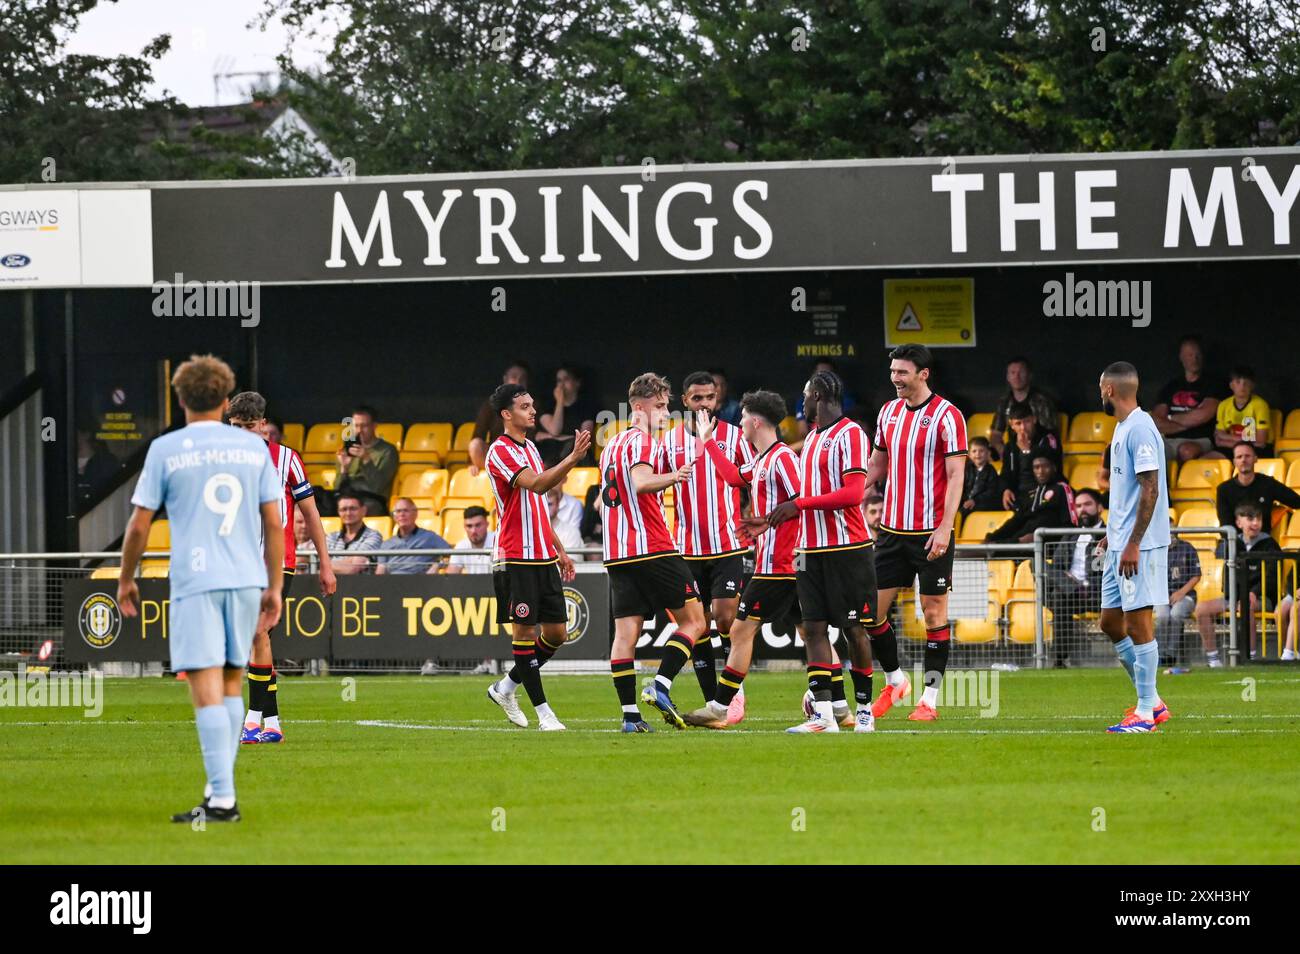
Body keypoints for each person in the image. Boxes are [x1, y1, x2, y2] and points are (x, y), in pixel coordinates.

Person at [117, 354, 283, 823]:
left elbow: (137, 525)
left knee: (206, 688)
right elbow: (274, 523)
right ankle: (219, 793)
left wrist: (127, 577)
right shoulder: (256, 450)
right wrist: (273, 585)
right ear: (225, 400)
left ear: (181, 397)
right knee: (232, 686)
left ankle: (223, 801)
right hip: (246, 577)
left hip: (196, 578)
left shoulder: (167, 449)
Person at [766, 368, 879, 733]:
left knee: (853, 629)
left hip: (848, 548)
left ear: (818, 394)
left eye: (804, 394)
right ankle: (825, 716)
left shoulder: (852, 434)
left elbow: (853, 494)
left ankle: (864, 709)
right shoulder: (812, 438)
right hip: (809, 550)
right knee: (812, 629)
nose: (800, 401)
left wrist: (799, 505)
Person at [226, 391, 338, 746]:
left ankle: (254, 719)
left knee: (258, 633)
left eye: (247, 427)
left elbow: (311, 515)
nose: (241, 434)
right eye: (234, 427)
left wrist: (326, 564)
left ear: (262, 426)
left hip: (277, 563)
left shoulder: (287, 460)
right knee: (256, 639)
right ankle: (270, 721)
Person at [684, 391, 801, 729]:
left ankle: (721, 706)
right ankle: (837, 708)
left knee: (739, 630)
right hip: (781, 564)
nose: (739, 424)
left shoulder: (782, 459)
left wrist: (772, 526)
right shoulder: (763, 459)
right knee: (811, 632)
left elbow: (801, 503)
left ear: (755, 421)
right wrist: (708, 442)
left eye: (742, 417)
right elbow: (734, 478)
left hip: (779, 565)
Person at [864, 343, 967, 722]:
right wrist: (848, 495)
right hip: (891, 530)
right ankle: (895, 680)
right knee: (869, 611)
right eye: (892, 371)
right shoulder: (888, 413)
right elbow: (876, 465)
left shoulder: (948, 415)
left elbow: (956, 475)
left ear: (923, 374)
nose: (895, 379)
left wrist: (945, 527)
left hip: (931, 533)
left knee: (933, 612)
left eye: (902, 372)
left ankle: (930, 700)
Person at [598, 372, 706, 732]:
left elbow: (603, 502)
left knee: (625, 634)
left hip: (617, 552)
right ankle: (660, 684)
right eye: (660, 406)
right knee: (694, 621)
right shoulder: (643, 442)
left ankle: (630, 716)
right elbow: (642, 483)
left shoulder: (610, 447)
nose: (665, 413)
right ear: (639, 407)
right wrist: (675, 476)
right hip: (652, 547)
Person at [482, 382, 591, 732]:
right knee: (525, 633)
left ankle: (506, 687)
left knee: (557, 633)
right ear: (506, 414)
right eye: (525, 406)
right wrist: (572, 458)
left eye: (532, 404)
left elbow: (536, 508)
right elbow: (539, 485)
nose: (532, 410)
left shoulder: (529, 446)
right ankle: (545, 713)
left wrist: (559, 549)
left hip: (542, 555)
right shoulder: (499, 451)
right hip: (515, 555)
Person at [660, 371, 756, 709]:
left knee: (726, 618)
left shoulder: (733, 437)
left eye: (709, 398)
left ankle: (734, 689)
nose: (704, 404)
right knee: (697, 626)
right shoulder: (668, 442)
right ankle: (712, 700)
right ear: (684, 401)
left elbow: (752, 479)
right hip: (686, 549)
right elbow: (653, 485)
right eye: (697, 398)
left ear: (718, 400)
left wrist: (754, 518)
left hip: (727, 544)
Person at [1096, 361, 1172, 733]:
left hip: (1137, 548)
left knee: (1139, 623)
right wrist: (1114, 533)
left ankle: (1145, 712)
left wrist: (1134, 542)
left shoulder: (1140, 427)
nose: (1100, 394)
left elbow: (1151, 488)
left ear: (1110, 390)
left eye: (1101, 388)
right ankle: (1153, 700)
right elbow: (1129, 493)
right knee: (1110, 623)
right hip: (1120, 543)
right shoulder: (1124, 428)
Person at [1196, 501, 1295, 664]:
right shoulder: (1232, 544)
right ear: (1238, 522)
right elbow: (1228, 575)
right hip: (1235, 597)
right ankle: (1214, 660)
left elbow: (1272, 578)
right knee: (1201, 609)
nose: (1255, 523)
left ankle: (1251, 658)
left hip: (1263, 598)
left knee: (1246, 606)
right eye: (1250, 519)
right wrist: (1234, 596)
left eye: (1258, 519)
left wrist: (1253, 592)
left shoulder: (1270, 545)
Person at [1042, 488, 1106, 667]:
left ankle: (1059, 660)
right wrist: (1069, 582)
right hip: (1072, 593)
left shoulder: (1109, 535)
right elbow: (1056, 566)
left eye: (1087, 504)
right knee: (1036, 564)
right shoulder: (1069, 535)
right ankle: (1072, 588)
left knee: (1057, 597)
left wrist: (1079, 584)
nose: (1082, 509)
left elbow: (1101, 571)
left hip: (1095, 594)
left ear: (1099, 508)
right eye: (1078, 506)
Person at [1153, 335, 1222, 462]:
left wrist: (1170, 418)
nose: (1194, 359)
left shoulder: (1214, 384)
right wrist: (1190, 423)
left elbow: (1203, 415)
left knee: (1186, 451)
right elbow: (1156, 422)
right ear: (1181, 357)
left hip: (1200, 440)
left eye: (1197, 355)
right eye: (1190, 355)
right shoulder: (1171, 386)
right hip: (1168, 440)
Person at [985, 453, 1076, 543]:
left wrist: (1042, 537)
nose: (1041, 471)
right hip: (1022, 541)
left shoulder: (1062, 489)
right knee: (987, 547)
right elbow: (1017, 520)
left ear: (1054, 468)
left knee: (987, 551)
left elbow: (1071, 524)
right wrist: (992, 537)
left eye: (1045, 466)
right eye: (1036, 467)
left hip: (1047, 544)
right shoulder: (1030, 492)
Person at [1215, 441, 1300, 530]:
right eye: (1239, 457)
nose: (1243, 460)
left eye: (1247, 456)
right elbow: (1225, 524)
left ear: (1255, 459)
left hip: (1263, 541)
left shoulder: (1268, 484)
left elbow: (1296, 501)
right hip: (1235, 541)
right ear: (1234, 462)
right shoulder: (1224, 490)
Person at [332, 405, 398, 516]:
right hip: (346, 498)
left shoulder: (387, 451)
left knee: (358, 509)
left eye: (364, 426)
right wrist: (344, 469)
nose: (359, 431)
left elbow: (377, 486)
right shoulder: (347, 450)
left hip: (372, 499)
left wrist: (366, 459)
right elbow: (337, 488)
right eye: (356, 426)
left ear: (374, 426)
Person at [988, 356, 1057, 458]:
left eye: (1021, 372)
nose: (1017, 376)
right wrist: (1002, 450)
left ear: (1030, 375)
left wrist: (1029, 451)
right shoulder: (1005, 401)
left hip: (1038, 452)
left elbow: (1050, 433)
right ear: (1008, 377)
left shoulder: (1042, 400)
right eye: (1013, 373)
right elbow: (996, 433)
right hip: (1012, 451)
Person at [468, 361, 530, 475]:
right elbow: (478, 435)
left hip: (522, 457)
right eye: (514, 377)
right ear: (505, 380)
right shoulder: (491, 405)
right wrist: (472, 463)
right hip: (496, 456)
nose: (518, 382)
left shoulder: (533, 405)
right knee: (475, 445)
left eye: (522, 379)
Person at [999, 402, 1063, 509]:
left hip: (1044, 489)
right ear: (1012, 425)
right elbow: (1006, 473)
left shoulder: (1048, 439)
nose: (1023, 428)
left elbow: (1049, 471)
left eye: (1027, 422)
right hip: (1018, 493)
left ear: (1034, 419)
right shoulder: (1010, 446)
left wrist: (1027, 452)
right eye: (1018, 423)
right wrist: (1006, 489)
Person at [536, 364, 599, 467]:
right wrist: (560, 401)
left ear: (577, 383)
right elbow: (555, 430)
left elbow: (582, 440)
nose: (561, 385)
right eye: (559, 380)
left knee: (572, 444)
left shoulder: (586, 407)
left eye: (566, 379)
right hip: (550, 459)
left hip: (575, 459)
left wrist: (548, 436)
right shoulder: (547, 407)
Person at [1158, 533, 1202, 666]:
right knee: (1162, 616)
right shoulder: (1156, 549)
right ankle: (1160, 654)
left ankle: (1171, 655)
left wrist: (1181, 592)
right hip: (1161, 595)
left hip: (1186, 595)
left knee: (1176, 613)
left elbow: (1196, 575)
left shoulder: (1187, 548)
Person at [376, 498, 450, 574]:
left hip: (421, 582)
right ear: (394, 517)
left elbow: (451, 555)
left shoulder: (429, 537)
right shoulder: (387, 544)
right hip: (393, 583)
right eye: (398, 511)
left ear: (415, 514)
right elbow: (380, 571)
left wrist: (437, 565)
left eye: (406, 510)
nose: (402, 514)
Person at [1213, 366, 1271, 454]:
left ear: (1252, 385)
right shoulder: (1223, 405)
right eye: (1238, 382)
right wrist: (1246, 440)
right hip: (1231, 449)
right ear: (1231, 385)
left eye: (1246, 382)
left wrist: (1227, 439)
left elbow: (1260, 441)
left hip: (1254, 451)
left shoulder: (1260, 405)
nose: (1242, 386)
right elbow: (1218, 439)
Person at [326, 493, 383, 573]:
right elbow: (319, 564)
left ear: (363, 510)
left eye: (353, 509)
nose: (348, 513)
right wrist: (350, 561)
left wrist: (328, 566)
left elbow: (354, 568)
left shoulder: (373, 536)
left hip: (358, 584)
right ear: (338, 512)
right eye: (343, 509)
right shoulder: (331, 537)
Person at [445, 506, 496, 574]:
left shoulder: (498, 542)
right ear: (464, 527)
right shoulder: (461, 546)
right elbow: (451, 576)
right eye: (469, 526)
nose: (473, 531)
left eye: (478, 525)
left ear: (487, 524)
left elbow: (503, 576)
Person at [961, 437, 1003, 513]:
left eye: (981, 451)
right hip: (966, 502)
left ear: (988, 453)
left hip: (981, 504)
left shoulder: (991, 471)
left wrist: (975, 501)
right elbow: (962, 487)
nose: (977, 454)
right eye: (974, 451)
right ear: (969, 454)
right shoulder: (967, 470)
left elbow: (991, 491)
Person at [545, 486, 584, 556]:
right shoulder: (531, 531)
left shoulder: (572, 532)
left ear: (558, 505)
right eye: (543, 505)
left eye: (549, 504)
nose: (546, 508)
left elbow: (572, 563)